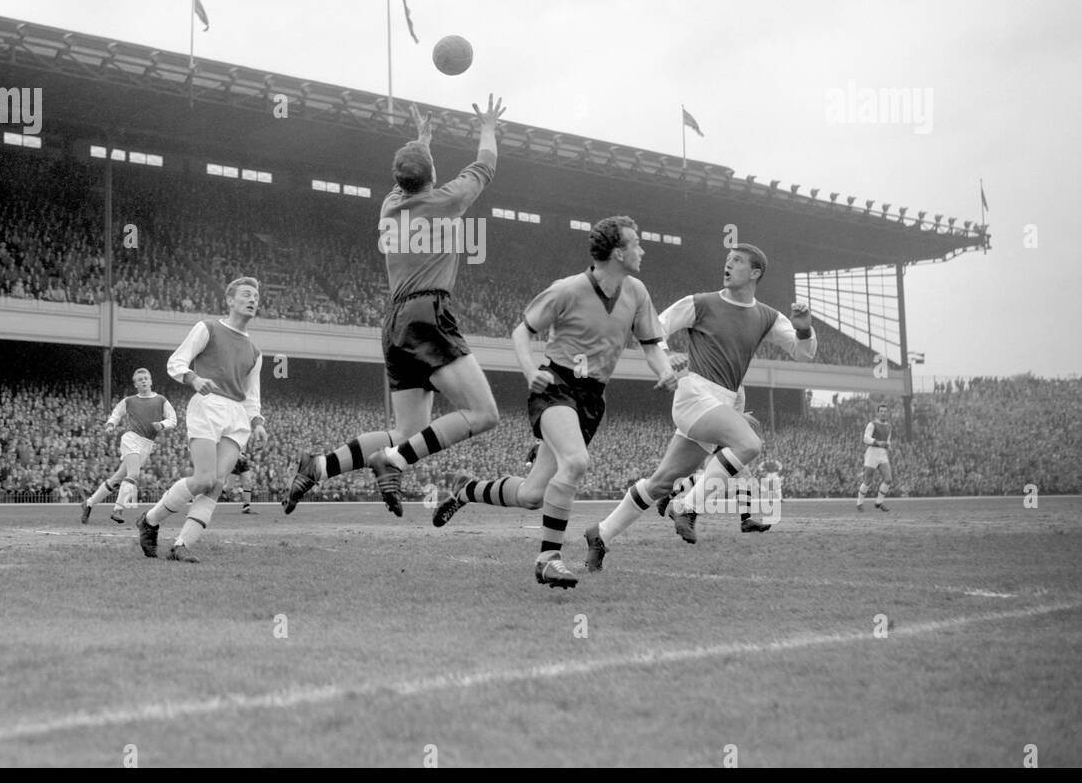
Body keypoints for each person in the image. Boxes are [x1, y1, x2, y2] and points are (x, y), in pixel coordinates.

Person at [283, 96, 506, 516]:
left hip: (394, 323)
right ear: (432, 176)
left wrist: (421, 140)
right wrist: (488, 126)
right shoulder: (445, 202)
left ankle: (317, 466)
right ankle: (394, 462)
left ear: (399, 180)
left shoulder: (389, 206)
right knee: (483, 413)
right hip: (428, 314)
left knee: (406, 430)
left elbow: (413, 173)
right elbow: (485, 167)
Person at [432, 216, 676, 588]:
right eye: (636, 243)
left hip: (592, 399)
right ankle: (548, 558)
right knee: (576, 462)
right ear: (616, 252)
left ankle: (466, 488)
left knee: (532, 495)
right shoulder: (568, 289)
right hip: (556, 387)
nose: (642, 249)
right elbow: (522, 331)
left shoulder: (637, 292)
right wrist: (531, 371)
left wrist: (665, 370)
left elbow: (650, 346)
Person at [585, 243, 816, 568]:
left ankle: (601, 534)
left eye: (737, 261)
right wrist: (666, 361)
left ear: (754, 273)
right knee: (749, 444)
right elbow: (653, 328)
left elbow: (803, 352)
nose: (728, 265)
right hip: (693, 393)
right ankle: (686, 508)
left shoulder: (767, 316)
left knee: (661, 483)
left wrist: (804, 326)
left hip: (715, 404)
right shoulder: (701, 303)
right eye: (727, 260)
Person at [137, 277, 267, 562]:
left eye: (256, 296)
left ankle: (181, 545)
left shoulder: (256, 353)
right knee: (204, 478)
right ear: (230, 300)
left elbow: (251, 395)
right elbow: (176, 362)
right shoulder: (208, 327)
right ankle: (150, 520)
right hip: (207, 406)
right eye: (246, 294)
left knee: (218, 482)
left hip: (237, 417)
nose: (253, 299)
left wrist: (257, 422)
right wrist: (193, 378)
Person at [82, 368, 176, 524]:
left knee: (117, 478)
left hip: (147, 444)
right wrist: (111, 424)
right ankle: (118, 509)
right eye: (140, 379)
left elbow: (173, 419)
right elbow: (116, 413)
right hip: (131, 438)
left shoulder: (161, 400)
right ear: (136, 385)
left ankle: (89, 503)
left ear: (151, 381)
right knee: (133, 474)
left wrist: (162, 424)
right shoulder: (130, 400)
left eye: (146, 378)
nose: (144, 381)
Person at [857, 403, 894, 512]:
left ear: (887, 413)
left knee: (888, 479)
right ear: (878, 413)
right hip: (872, 453)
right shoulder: (872, 424)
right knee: (867, 480)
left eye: (885, 411)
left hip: (882, 454)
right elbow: (865, 438)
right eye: (881, 411)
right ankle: (859, 503)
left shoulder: (888, 426)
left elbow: (888, 441)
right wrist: (877, 442)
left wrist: (888, 446)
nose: (883, 413)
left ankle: (879, 502)